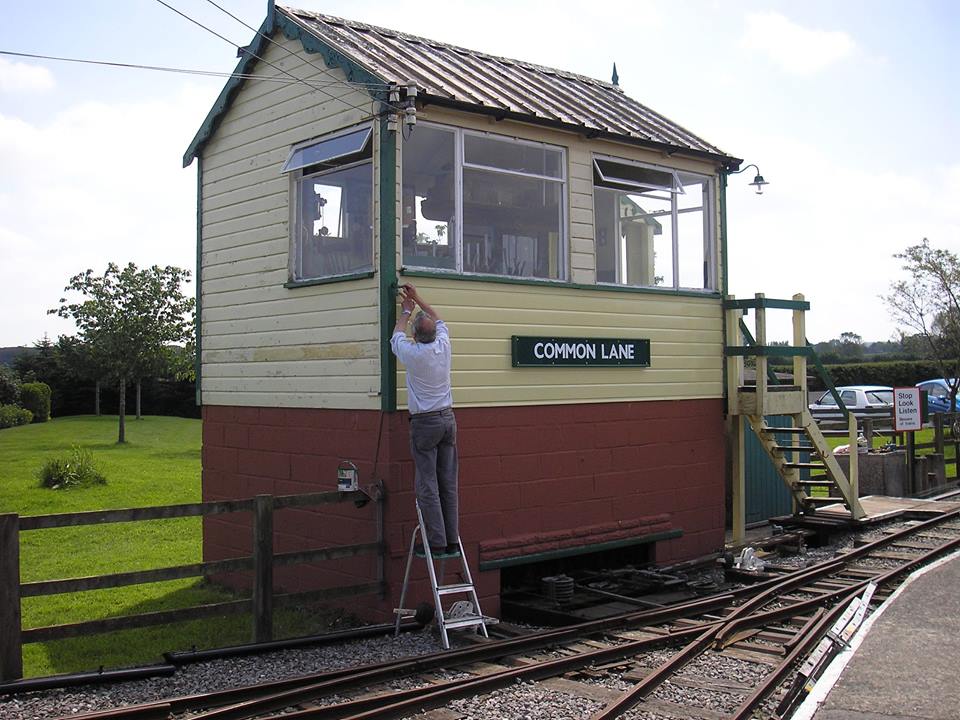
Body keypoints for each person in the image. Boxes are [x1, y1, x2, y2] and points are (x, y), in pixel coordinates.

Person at [390, 282, 460, 557]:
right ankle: (452, 540)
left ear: (415, 336)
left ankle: (437, 542)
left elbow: (396, 337)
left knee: (427, 483)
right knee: (448, 482)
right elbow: (438, 319)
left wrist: (405, 311)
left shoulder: (413, 354)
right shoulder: (444, 345)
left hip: (425, 423)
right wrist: (417, 298)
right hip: (448, 419)